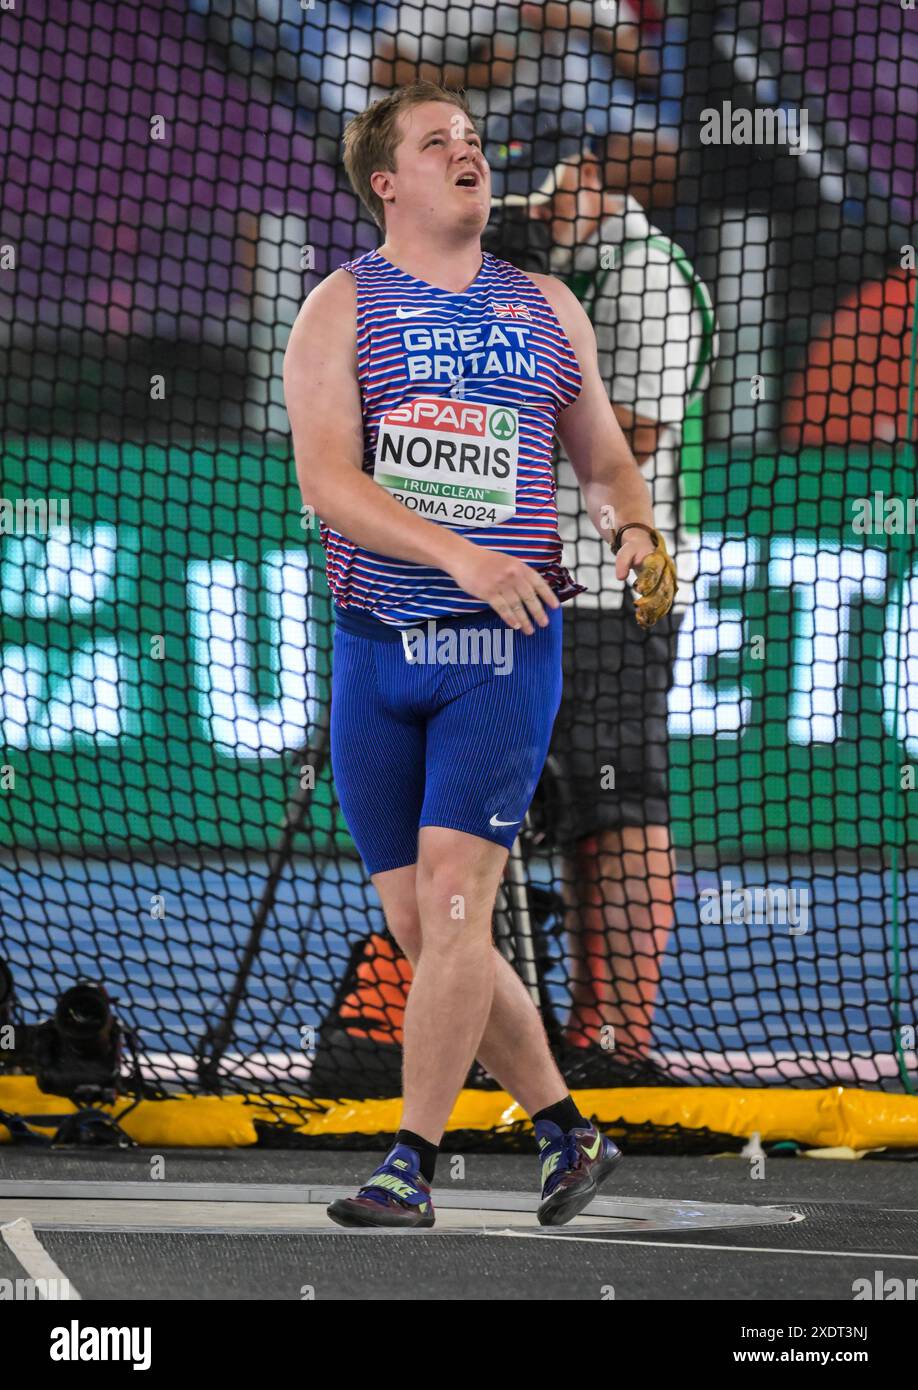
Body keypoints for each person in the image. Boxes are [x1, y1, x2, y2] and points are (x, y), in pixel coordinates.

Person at [283, 80, 677, 1228]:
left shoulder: (549, 305)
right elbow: (329, 484)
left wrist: (634, 527)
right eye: (436, 141)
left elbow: (604, 457)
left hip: (503, 654)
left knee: (459, 904)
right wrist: (458, 554)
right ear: (386, 182)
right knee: (419, 926)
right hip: (374, 654)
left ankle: (410, 1160)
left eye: (474, 138)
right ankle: (567, 1130)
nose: (470, 152)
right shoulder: (342, 307)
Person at [482, 115, 718, 1082]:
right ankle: (513, 1038)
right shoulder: (498, 265)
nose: (531, 210)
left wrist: (468, 420)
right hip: (494, 578)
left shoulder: (643, 275)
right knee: (477, 809)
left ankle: (617, 1035)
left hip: (606, 590)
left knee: (616, 814)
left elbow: (631, 440)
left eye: (549, 189)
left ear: (590, 178)